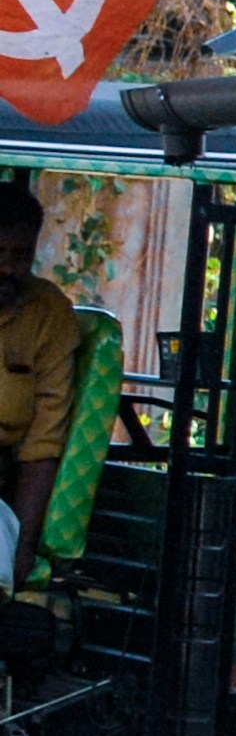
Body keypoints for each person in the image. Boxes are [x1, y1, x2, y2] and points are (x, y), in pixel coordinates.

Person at [0, 182, 78, 584]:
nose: (7, 269)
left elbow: (42, 444)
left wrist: (24, 545)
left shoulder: (49, 314)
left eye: (20, 256)